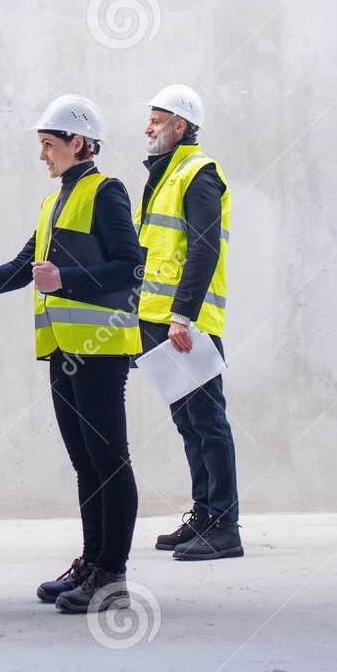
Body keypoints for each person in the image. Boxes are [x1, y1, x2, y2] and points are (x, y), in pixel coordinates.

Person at [0, 95, 143, 613]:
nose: (43, 155)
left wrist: (68, 280)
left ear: (77, 143)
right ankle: (91, 560)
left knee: (108, 459)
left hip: (100, 350)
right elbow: (20, 268)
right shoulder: (55, 202)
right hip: (62, 349)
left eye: (48, 145)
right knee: (85, 462)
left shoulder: (107, 192)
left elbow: (131, 266)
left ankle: (112, 576)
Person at [138, 84, 243, 561]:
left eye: (157, 120)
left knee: (208, 420)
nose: (148, 128)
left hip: (187, 324)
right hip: (161, 321)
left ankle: (224, 528)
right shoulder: (165, 175)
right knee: (188, 422)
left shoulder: (198, 172)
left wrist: (183, 315)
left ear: (181, 126)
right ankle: (204, 516)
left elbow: (203, 247)